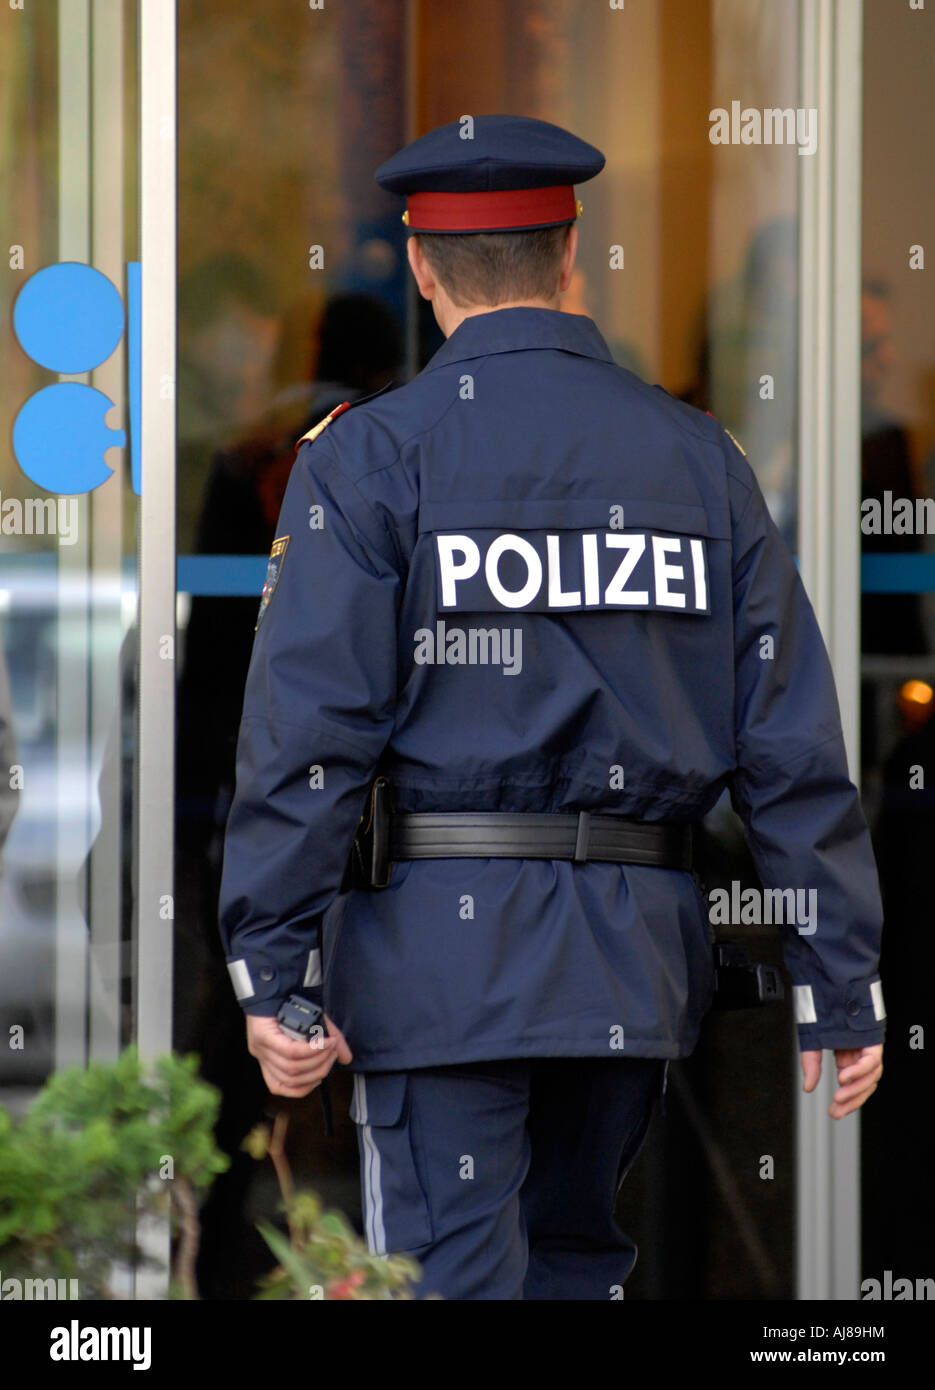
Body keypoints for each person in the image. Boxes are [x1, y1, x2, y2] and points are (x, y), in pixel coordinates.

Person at [218, 114, 885, 1301]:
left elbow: (310, 739)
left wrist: (272, 967)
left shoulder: (370, 459)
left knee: (450, 1282)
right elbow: (789, 743)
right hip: (631, 963)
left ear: (422, 269)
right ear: (570, 252)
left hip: (439, 967)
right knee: (579, 1269)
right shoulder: (697, 459)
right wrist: (835, 976)